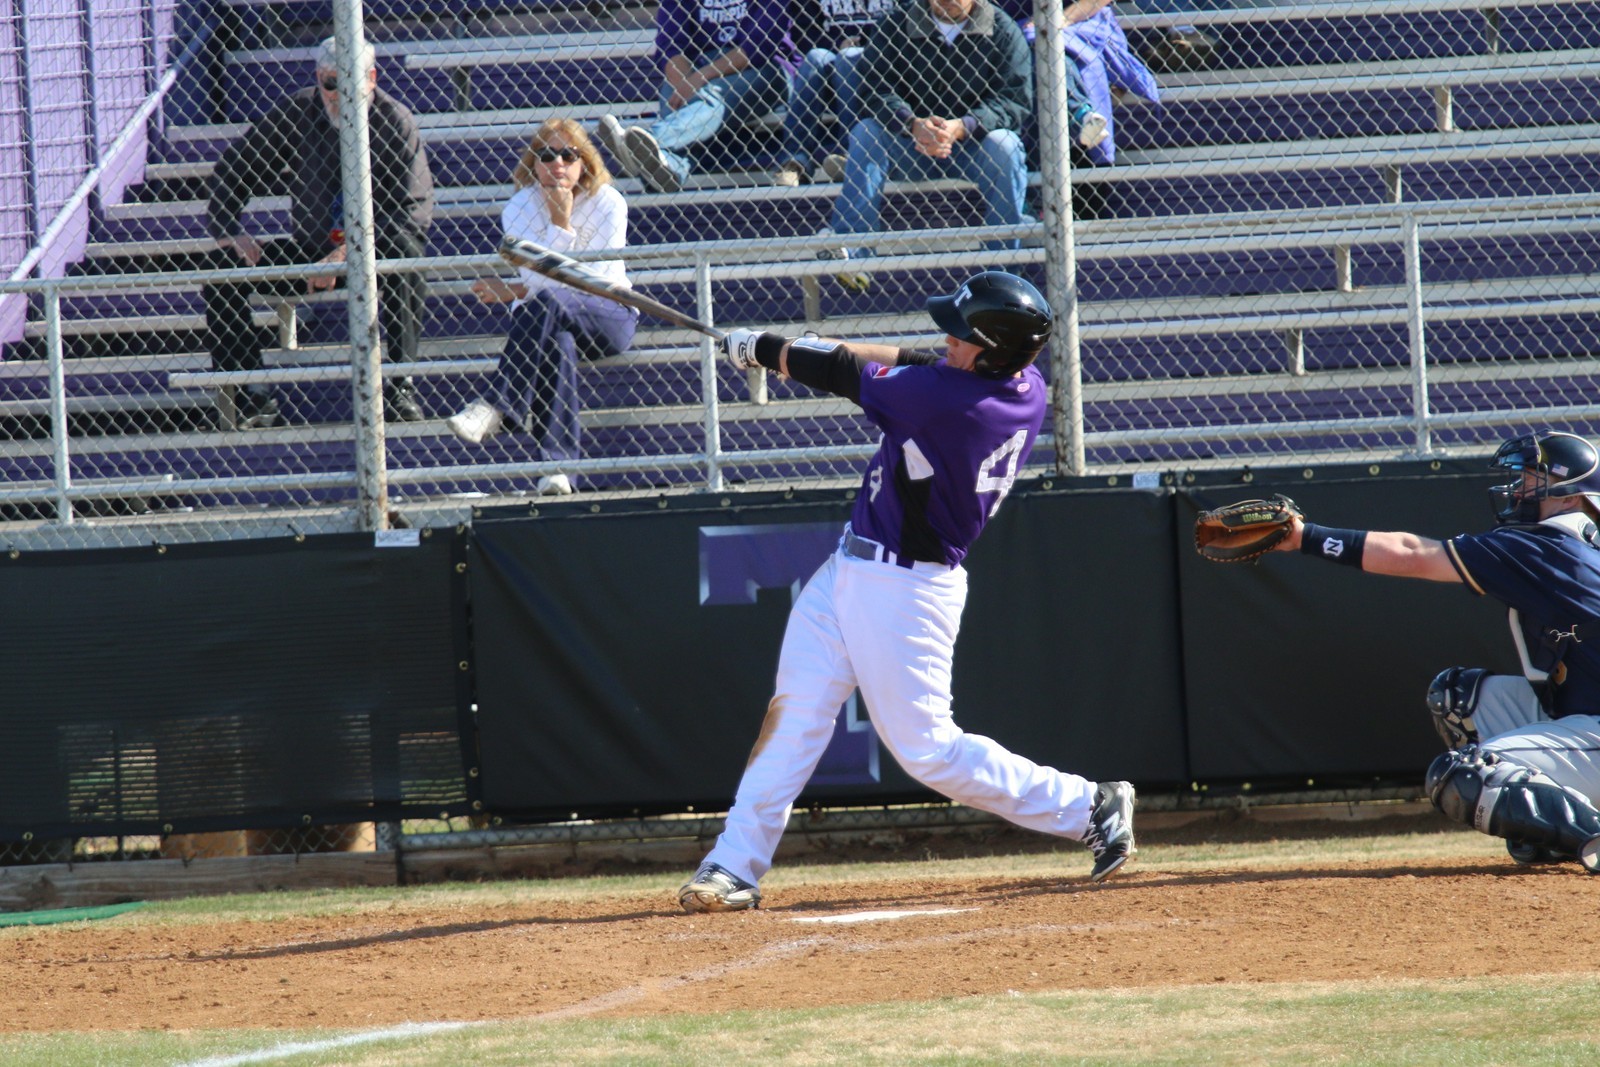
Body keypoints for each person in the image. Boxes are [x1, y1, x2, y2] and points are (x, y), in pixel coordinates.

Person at [678, 270, 1137, 912]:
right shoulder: (1019, 385)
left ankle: (1087, 803)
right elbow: (908, 360)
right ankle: (733, 865)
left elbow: (846, 373)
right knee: (796, 713)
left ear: (992, 350)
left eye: (961, 334)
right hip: (851, 569)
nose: (948, 340)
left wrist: (766, 346)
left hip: (903, 589)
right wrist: (796, 346)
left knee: (928, 752)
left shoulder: (949, 404)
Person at [1264, 429, 1600, 873]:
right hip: (1583, 713)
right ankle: (1556, 836)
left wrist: (1304, 537)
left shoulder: (1546, 546)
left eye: (1532, 479)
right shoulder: (1574, 544)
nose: (1518, 489)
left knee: (1466, 775)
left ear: (1570, 496)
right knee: (1457, 698)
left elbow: (1412, 554)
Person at [203, 36, 434, 428]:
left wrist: (348, 254)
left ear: (371, 79)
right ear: (318, 79)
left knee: (407, 252)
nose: (338, 94)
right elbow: (231, 171)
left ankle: (398, 386)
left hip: (377, 252)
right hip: (312, 250)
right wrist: (230, 231)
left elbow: (412, 215)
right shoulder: (298, 112)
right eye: (330, 83)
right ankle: (252, 397)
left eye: (348, 82)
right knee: (220, 268)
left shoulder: (395, 121)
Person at [446, 120, 637, 497]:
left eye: (569, 154)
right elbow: (543, 285)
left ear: (586, 161)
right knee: (557, 342)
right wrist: (553, 228)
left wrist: (560, 222)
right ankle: (557, 470)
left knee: (547, 303)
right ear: (533, 163)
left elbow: (592, 283)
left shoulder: (608, 201)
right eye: (547, 155)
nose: (558, 164)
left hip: (609, 315)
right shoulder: (518, 209)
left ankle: (497, 405)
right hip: (545, 321)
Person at [818, 0, 1033, 294]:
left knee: (1006, 144)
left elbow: (1016, 101)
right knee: (866, 132)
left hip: (974, 146)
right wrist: (910, 123)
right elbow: (873, 88)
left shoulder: (1003, 28)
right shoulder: (897, 22)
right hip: (910, 146)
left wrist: (964, 125)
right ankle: (854, 254)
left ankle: (1002, 270)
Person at [595, 0, 799, 194]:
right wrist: (686, 83)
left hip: (763, 68)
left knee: (713, 98)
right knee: (676, 91)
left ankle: (651, 142)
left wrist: (700, 79)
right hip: (698, 68)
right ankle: (670, 168)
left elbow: (758, 44)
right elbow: (670, 45)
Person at [771, 0, 896, 186]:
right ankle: (795, 162)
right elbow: (805, 33)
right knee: (815, 58)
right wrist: (837, 44)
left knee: (849, 58)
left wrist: (866, 43)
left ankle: (850, 156)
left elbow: (904, 23)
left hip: (882, 70)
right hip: (834, 69)